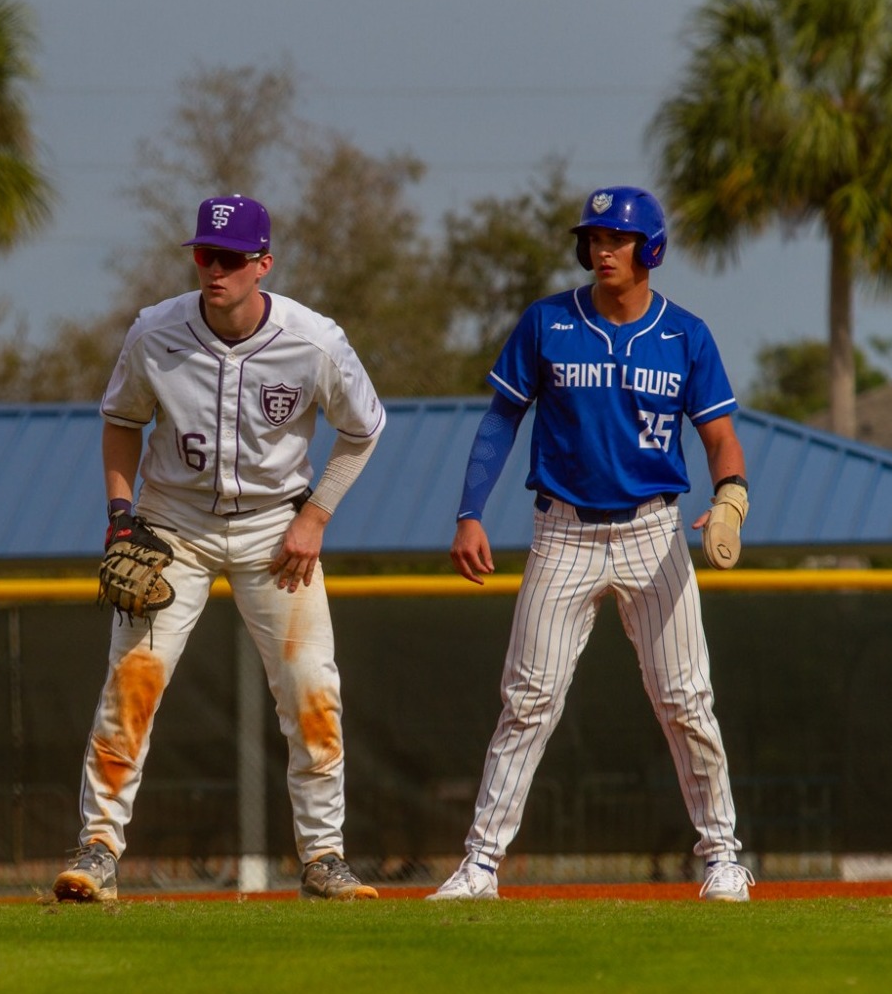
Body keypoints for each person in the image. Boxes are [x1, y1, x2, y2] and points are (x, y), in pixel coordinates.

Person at [53, 195, 388, 903]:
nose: (215, 270)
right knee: (132, 684)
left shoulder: (312, 341)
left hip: (275, 529)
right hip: (172, 524)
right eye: (206, 255)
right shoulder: (155, 332)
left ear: (264, 264)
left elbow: (364, 429)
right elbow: (121, 421)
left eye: (232, 259)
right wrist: (120, 518)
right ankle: (98, 848)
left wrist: (316, 515)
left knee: (311, 691)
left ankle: (324, 857)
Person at [427, 186, 754, 903]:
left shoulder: (685, 335)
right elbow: (500, 419)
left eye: (618, 238)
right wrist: (470, 512)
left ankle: (723, 858)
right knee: (528, 701)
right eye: (594, 238)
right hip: (563, 533)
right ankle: (480, 864)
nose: (603, 250)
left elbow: (720, 435)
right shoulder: (548, 322)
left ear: (650, 249)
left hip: (653, 533)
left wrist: (730, 491)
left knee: (686, 701)